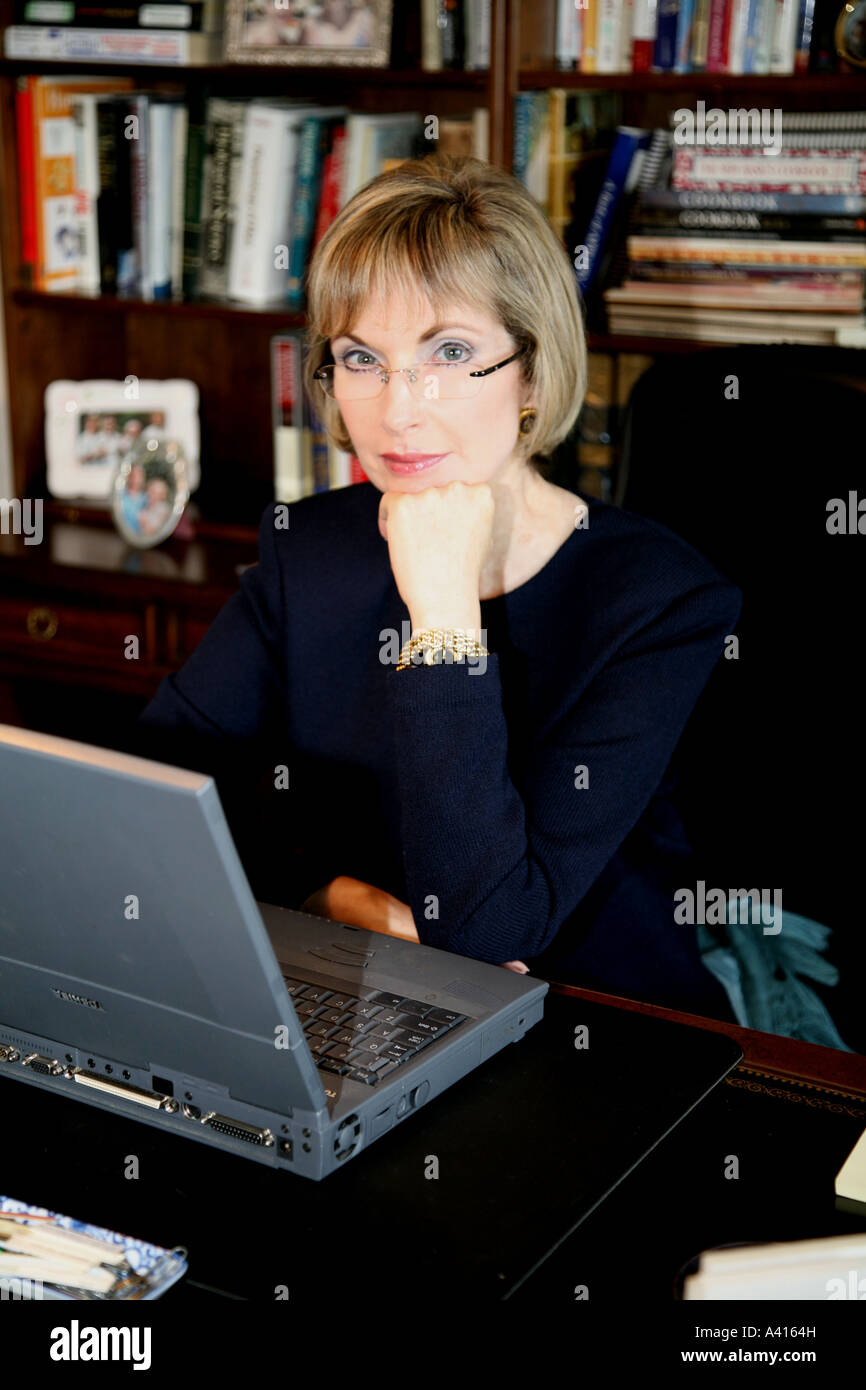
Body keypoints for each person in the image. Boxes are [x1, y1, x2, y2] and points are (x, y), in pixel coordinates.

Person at [134, 154, 741, 1018]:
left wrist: (447, 619)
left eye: (449, 352)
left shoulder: (660, 603)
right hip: (359, 990)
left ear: (530, 373)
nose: (399, 408)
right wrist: (332, 897)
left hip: (603, 1030)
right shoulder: (309, 549)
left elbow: (490, 930)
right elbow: (157, 797)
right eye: (361, 358)